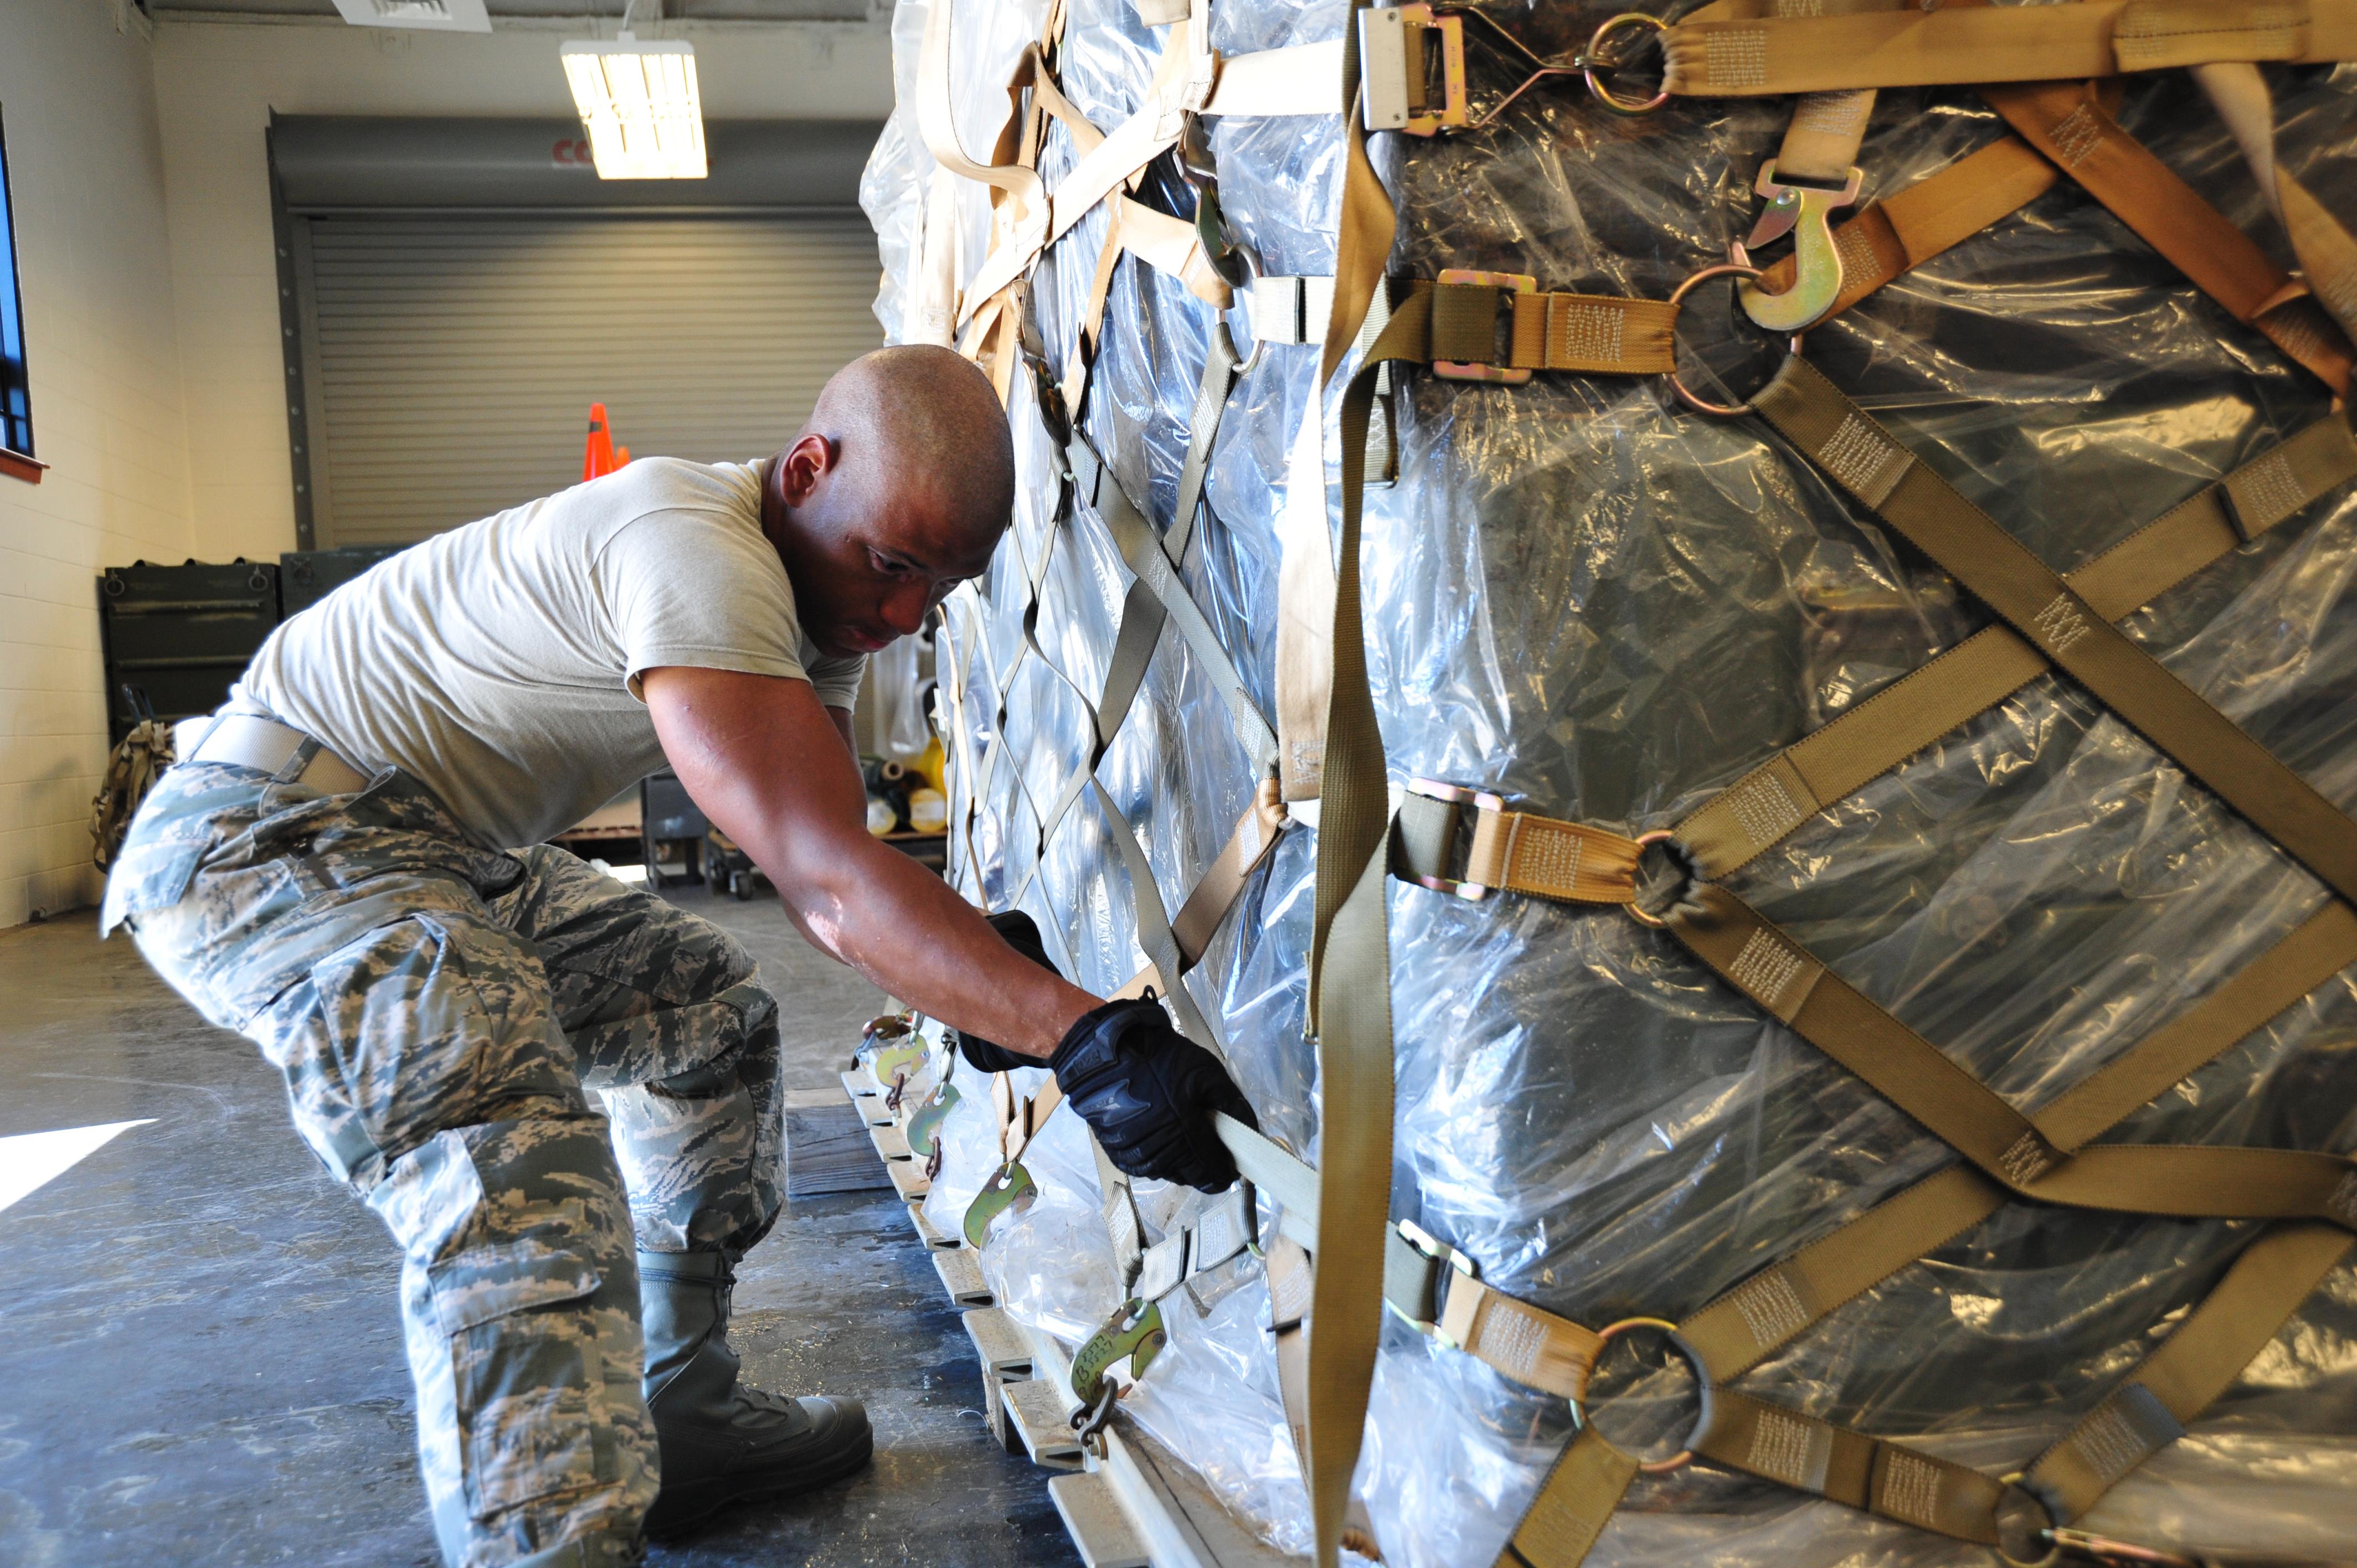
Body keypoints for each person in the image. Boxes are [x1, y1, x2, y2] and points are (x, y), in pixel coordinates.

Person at [99, 345, 1256, 1568]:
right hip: (281, 840)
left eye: (945, 588)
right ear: (808, 469)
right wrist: (1079, 1037)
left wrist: (969, 969)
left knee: (703, 1012)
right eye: (895, 565)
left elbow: (814, 853)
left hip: (439, 846)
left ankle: (680, 1422)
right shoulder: (693, 544)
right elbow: (820, 876)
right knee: (516, 1175)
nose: (909, 614)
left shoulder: (806, 609)